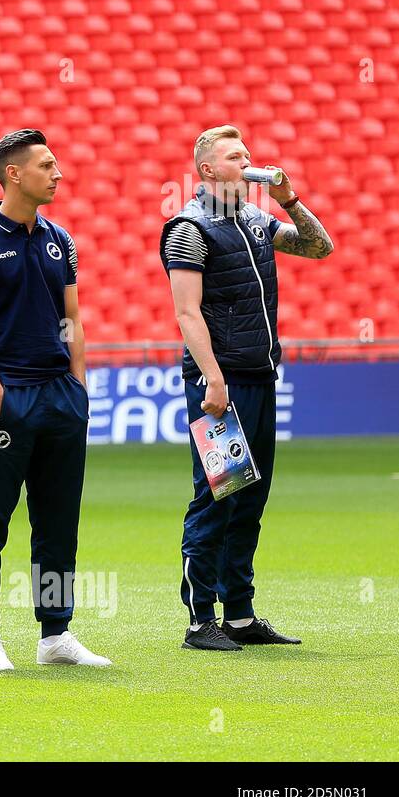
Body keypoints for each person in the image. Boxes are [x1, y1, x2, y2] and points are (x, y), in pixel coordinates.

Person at [161, 125, 333, 651]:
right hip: (221, 381)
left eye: (248, 153)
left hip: (259, 376)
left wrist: (290, 199)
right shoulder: (188, 227)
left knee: (251, 498)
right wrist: (213, 377)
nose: (248, 161)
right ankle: (199, 620)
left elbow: (319, 247)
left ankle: (239, 614)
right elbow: (187, 312)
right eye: (235, 156)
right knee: (219, 496)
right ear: (208, 170)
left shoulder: (257, 219)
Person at [0, 128, 109, 671]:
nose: (57, 173)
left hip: (61, 398)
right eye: (46, 165)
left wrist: (79, 384)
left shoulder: (61, 240)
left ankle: (56, 632)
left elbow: (73, 319)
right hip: (8, 400)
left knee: (59, 521)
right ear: (14, 173)